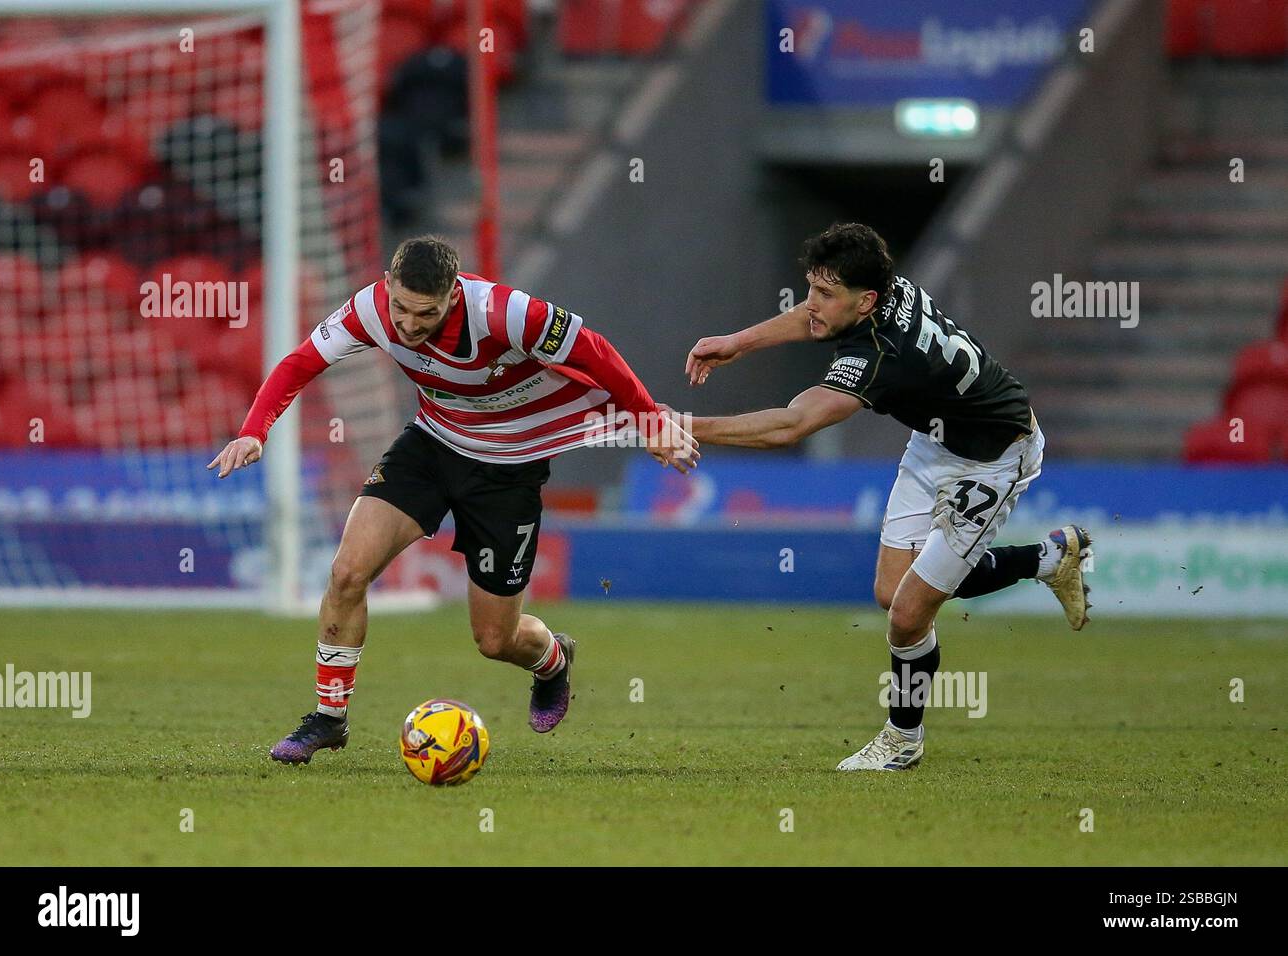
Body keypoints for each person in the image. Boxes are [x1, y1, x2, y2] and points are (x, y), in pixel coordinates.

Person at [209, 235, 697, 764]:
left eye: (427, 313)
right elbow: (299, 363)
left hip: (509, 468)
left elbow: (594, 351)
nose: (409, 324)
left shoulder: (507, 312)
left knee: (495, 640)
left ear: (453, 296)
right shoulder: (370, 309)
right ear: (389, 284)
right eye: (401, 306)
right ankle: (329, 718)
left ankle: (553, 660)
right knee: (347, 572)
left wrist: (649, 419)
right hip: (433, 445)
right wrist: (254, 430)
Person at [677, 222, 1091, 771]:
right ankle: (1047, 558)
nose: (812, 305)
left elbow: (791, 425)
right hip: (935, 442)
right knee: (892, 592)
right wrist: (739, 342)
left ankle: (903, 741)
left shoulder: (881, 353)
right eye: (811, 288)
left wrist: (682, 424)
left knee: (907, 616)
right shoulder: (875, 289)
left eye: (825, 294)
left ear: (865, 300)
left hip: (994, 457)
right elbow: (815, 316)